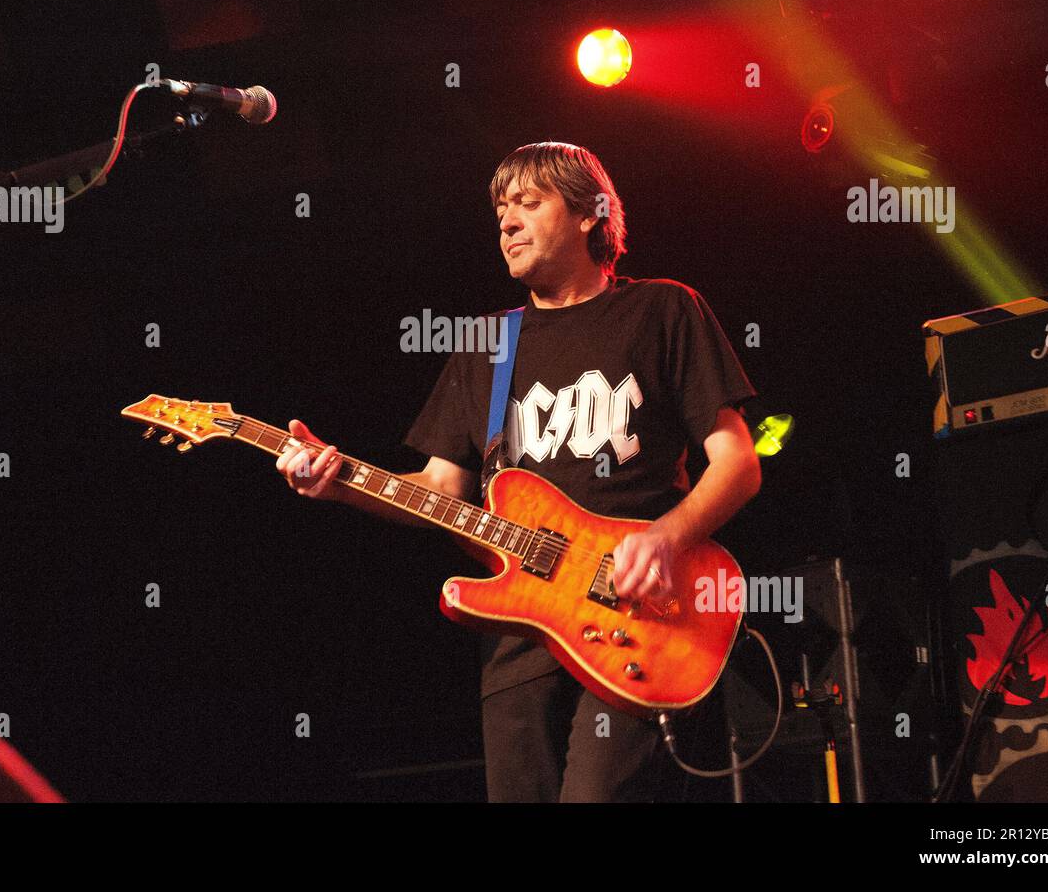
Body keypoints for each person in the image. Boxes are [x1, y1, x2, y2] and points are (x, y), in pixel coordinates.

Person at [275, 141, 761, 802]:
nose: (506, 222)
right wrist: (339, 483)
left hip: (639, 615)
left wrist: (665, 538)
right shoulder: (486, 345)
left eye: (529, 203)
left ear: (591, 213)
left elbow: (737, 462)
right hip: (517, 637)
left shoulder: (663, 309)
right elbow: (441, 489)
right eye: (501, 209)